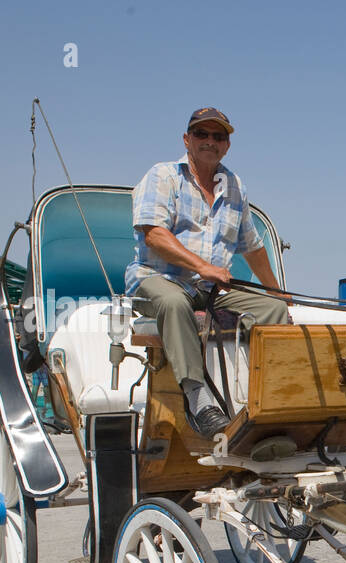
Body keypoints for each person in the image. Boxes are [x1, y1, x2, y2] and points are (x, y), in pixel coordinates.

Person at [125, 107, 291, 438]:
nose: (210, 141)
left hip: (209, 289)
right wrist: (202, 267)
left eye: (219, 136)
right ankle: (197, 399)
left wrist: (275, 290)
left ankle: (265, 396)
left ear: (227, 145)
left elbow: (253, 246)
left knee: (273, 309)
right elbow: (153, 234)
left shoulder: (234, 186)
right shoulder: (163, 176)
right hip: (157, 279)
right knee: (175, 303)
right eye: (202, 134)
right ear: (187, 140)